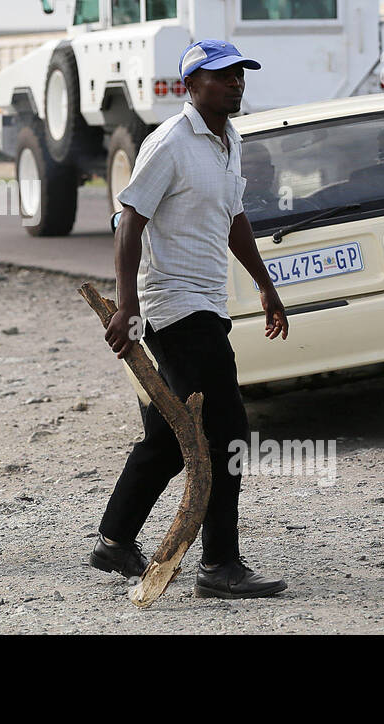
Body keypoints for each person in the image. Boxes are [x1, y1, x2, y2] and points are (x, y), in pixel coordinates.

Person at [93, 39, 290, 599]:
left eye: (239, 74)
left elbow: (234, 218)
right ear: (190, 85)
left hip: (208, 303)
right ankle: (219, 564)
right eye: (221, 75)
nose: (235, 82)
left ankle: (114, 540)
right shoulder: (170, 144)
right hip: (177, 309)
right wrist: (127, 307)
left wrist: (265, 283)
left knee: (168, 431)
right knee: (227, 431)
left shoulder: (230, 141)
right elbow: (129, 221)